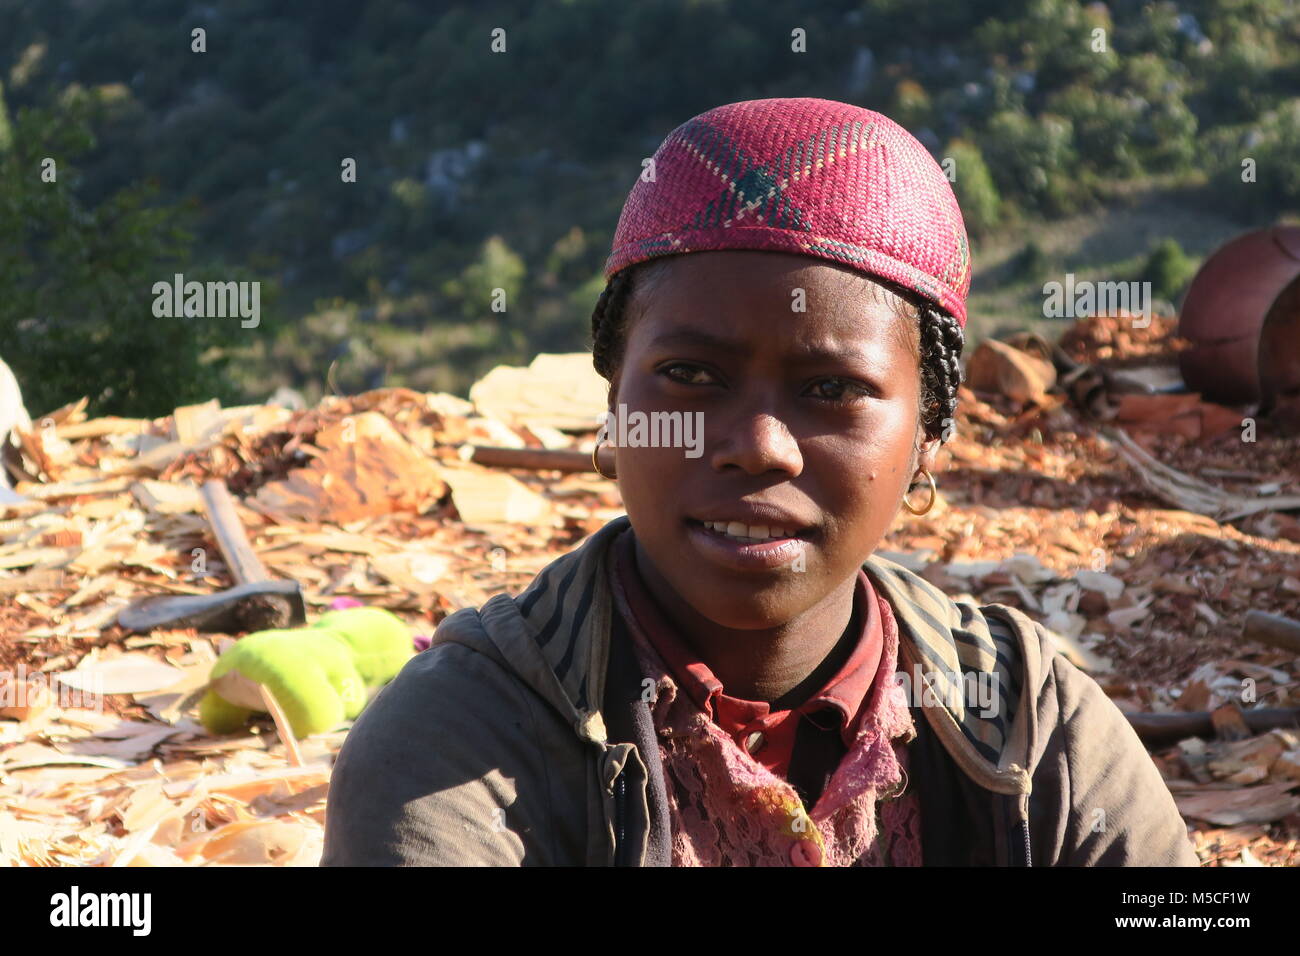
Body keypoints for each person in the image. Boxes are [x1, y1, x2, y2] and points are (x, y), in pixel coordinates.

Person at [321, 97, 1198, 867]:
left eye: (832, 390)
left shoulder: (1025, 721)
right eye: (692, 377)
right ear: (615, 406)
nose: (759, 447)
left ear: (930, 434)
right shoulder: (459, 739)